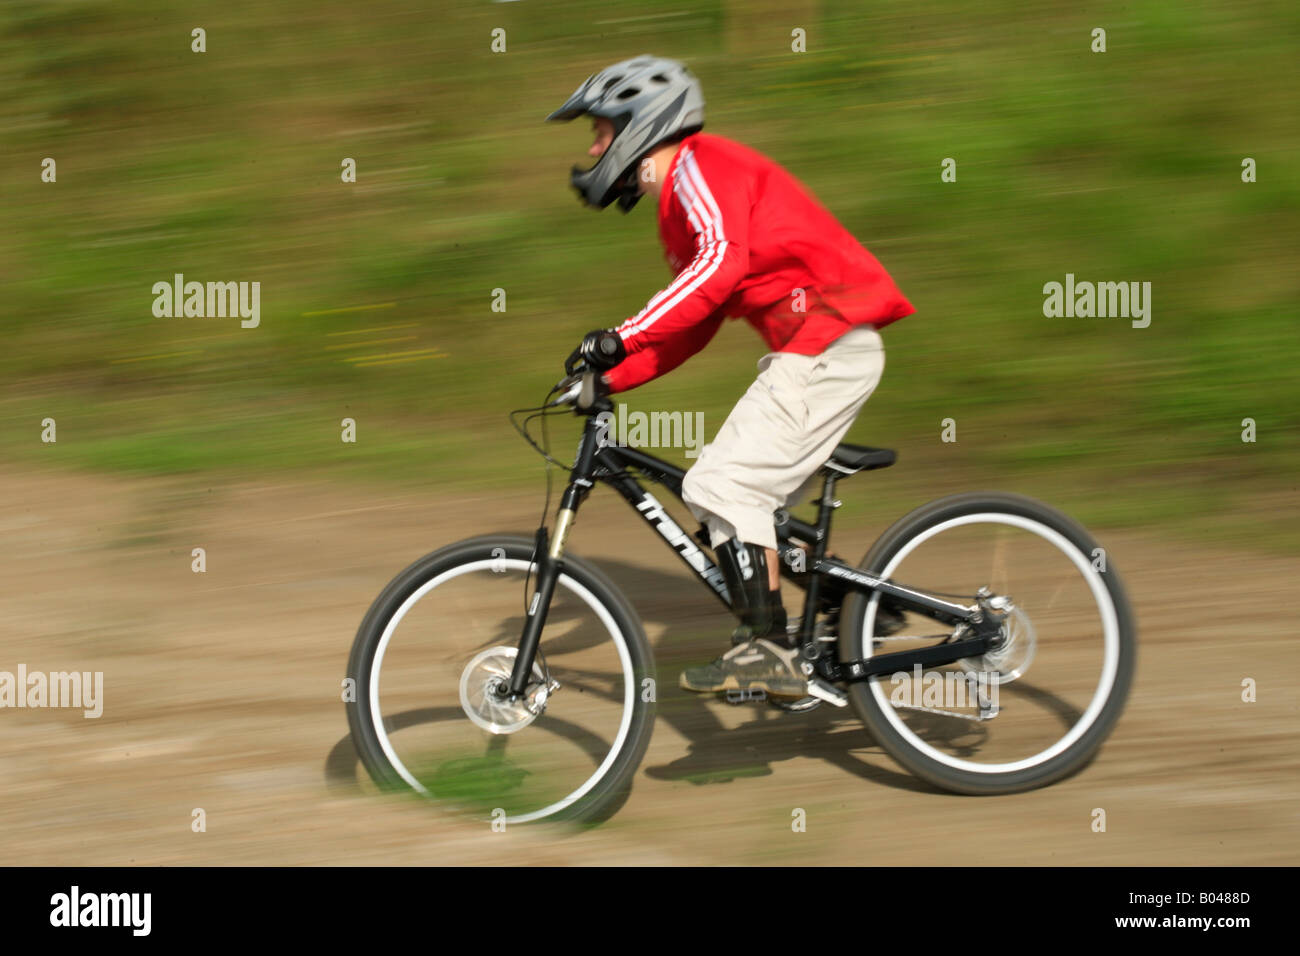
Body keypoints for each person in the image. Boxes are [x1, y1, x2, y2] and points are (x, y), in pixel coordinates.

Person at [550, 55, 914, 698]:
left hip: (827, 339)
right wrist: (612, 376)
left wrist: (620, 337)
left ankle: (767, 649)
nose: (592, 147)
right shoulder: (679, 207)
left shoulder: (699, 165)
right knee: (730, 495)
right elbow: (695, 321)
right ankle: (851, 604)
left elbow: (719, 266)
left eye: (601, 131)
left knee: (722, 483)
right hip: (819, 345)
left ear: (641, 125)